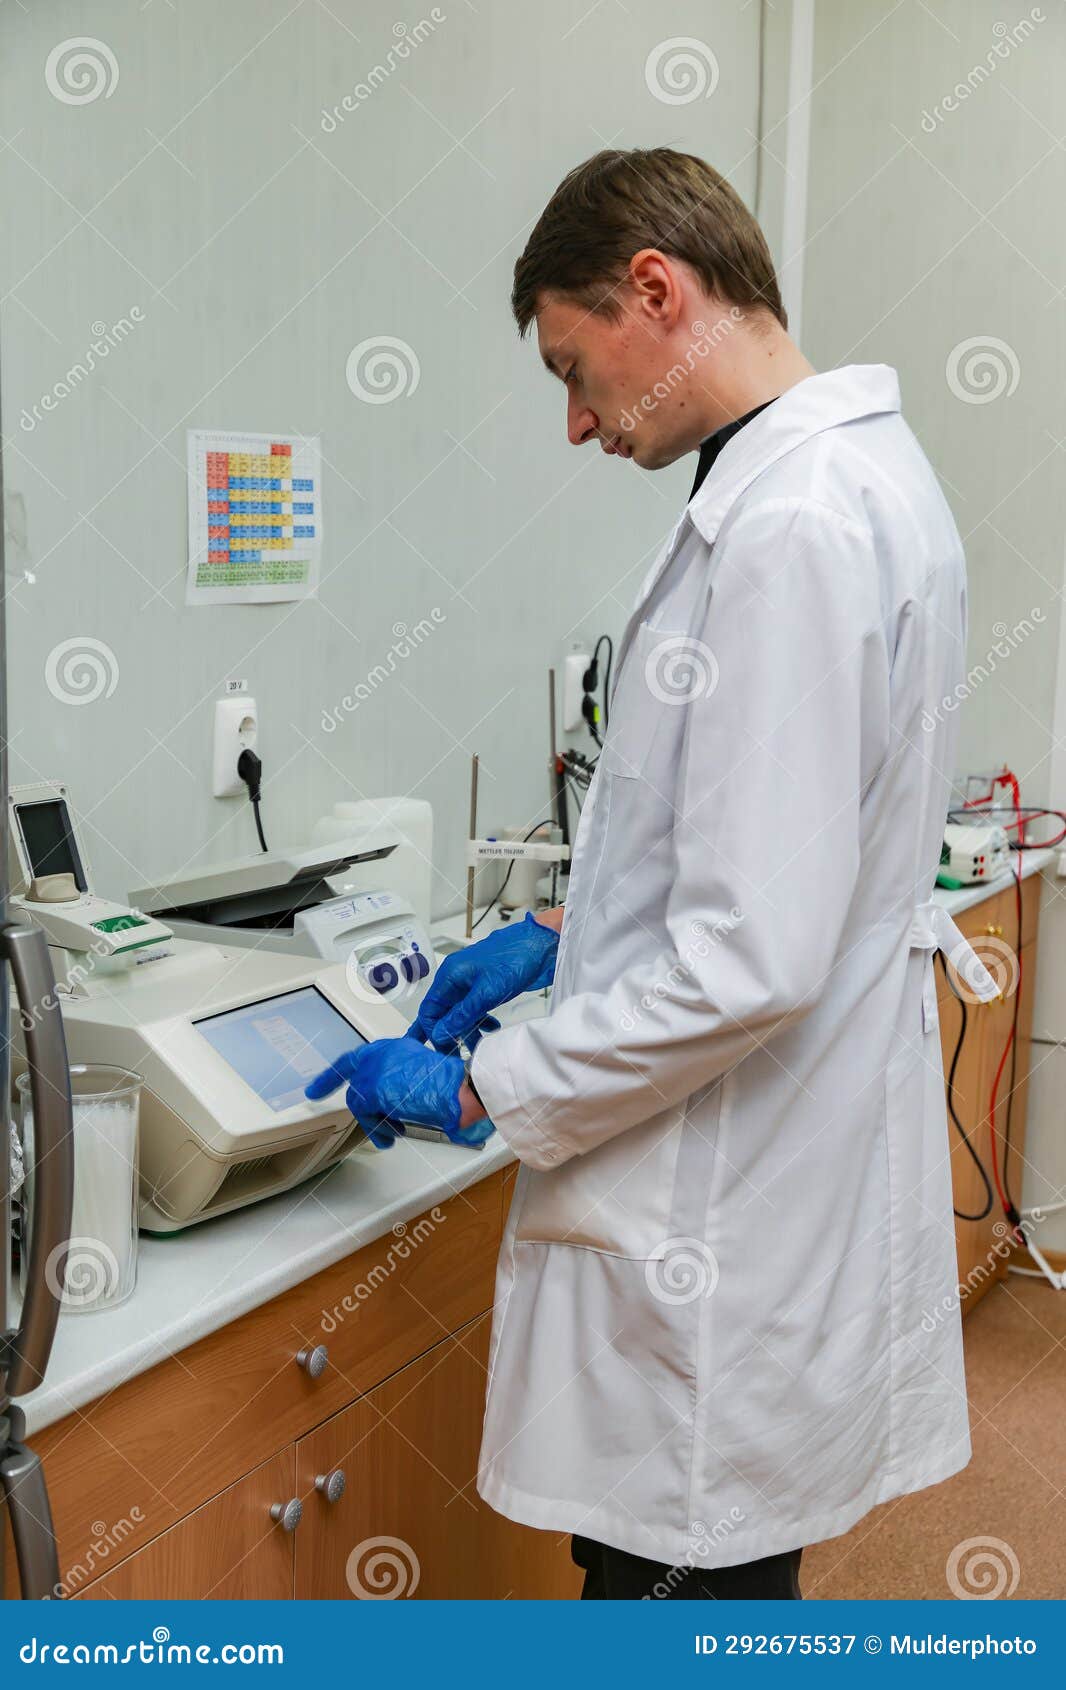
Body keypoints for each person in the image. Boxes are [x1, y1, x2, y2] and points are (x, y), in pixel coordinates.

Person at [307, 148, 998, 1600]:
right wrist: (561, 932)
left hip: (724, 1223)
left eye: (572, 365)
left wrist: (486, 1086)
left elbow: (748, 957)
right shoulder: (842, 477)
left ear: (654, 289)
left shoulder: (787, 525)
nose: (573, 420)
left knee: (669, 1594)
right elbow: (766, 845)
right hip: (769, 1179)